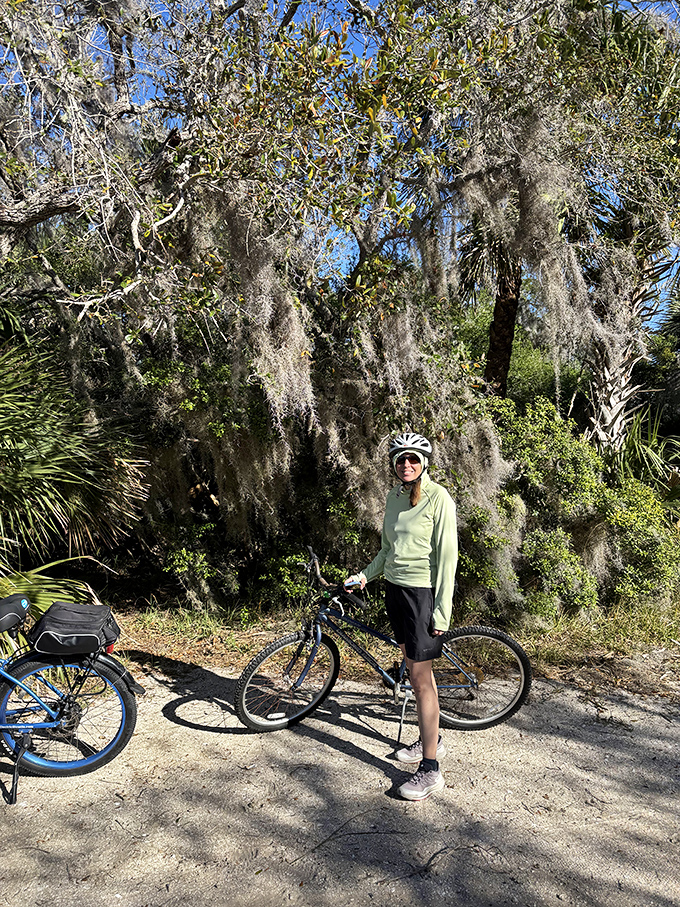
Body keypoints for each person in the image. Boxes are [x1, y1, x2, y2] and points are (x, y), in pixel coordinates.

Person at [345, 431, 458, 801]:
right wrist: (364, 575)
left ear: (424, 462)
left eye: (413, 459)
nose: (406, 465)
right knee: (412, 670)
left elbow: (446, 559)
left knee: (421, 680)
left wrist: (441, 611)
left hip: (421, 595)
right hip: (395, 590)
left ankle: (430, 770)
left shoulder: (439, 498)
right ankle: (433, 739)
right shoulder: (394, 497)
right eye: (400, 459)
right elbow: (387, 551)